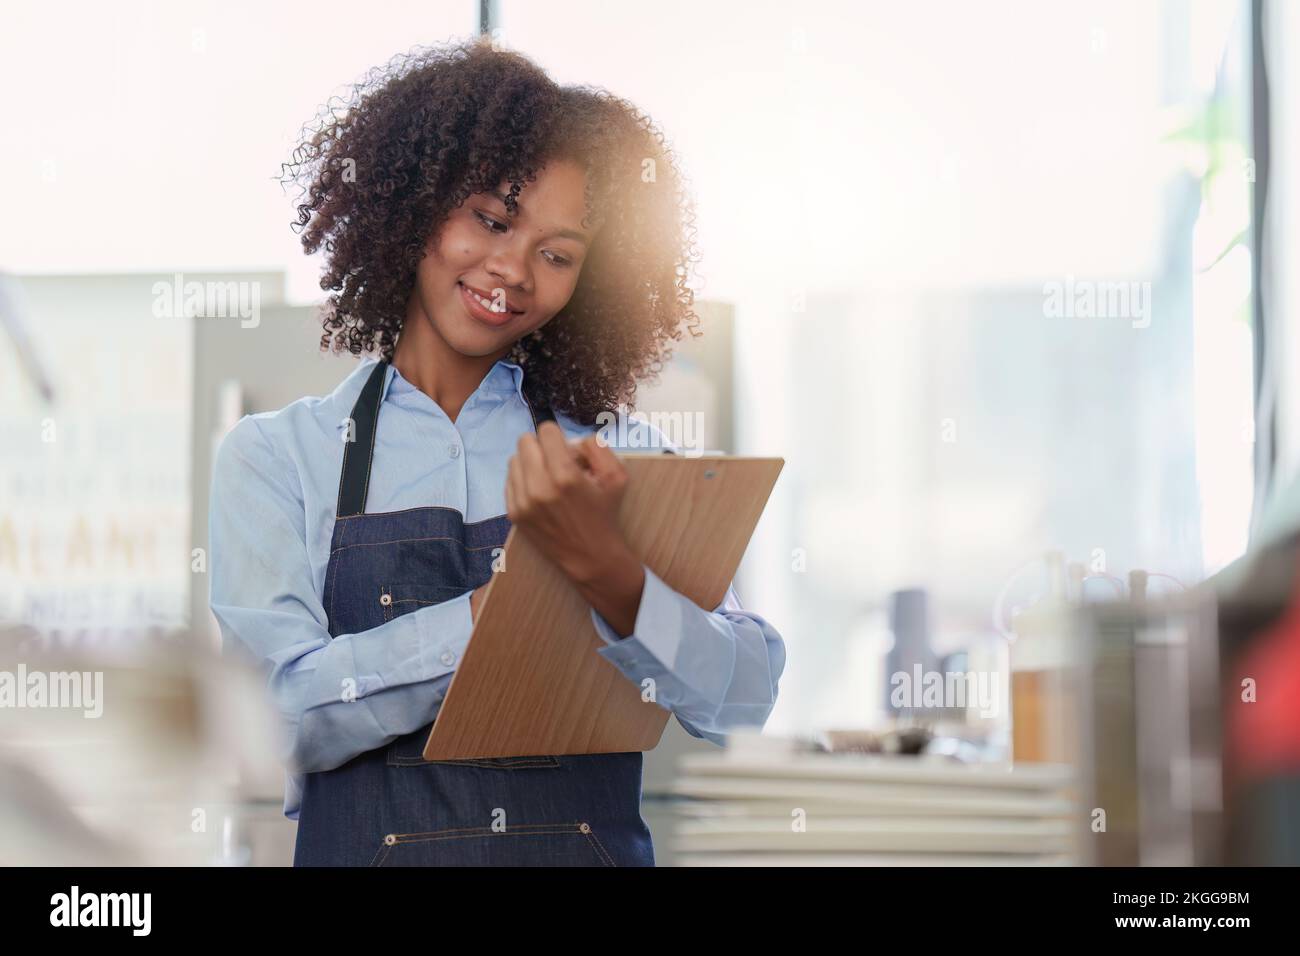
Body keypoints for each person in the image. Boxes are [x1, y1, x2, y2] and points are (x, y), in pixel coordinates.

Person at [209, 37, 786, 867]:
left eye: (557, 256)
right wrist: (490, 622)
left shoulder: (617, 454)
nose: (512, 270)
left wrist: (609, 577)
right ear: (415, 206)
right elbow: (273, 722)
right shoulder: (281, 458)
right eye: (491, 219)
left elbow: (743, 699)